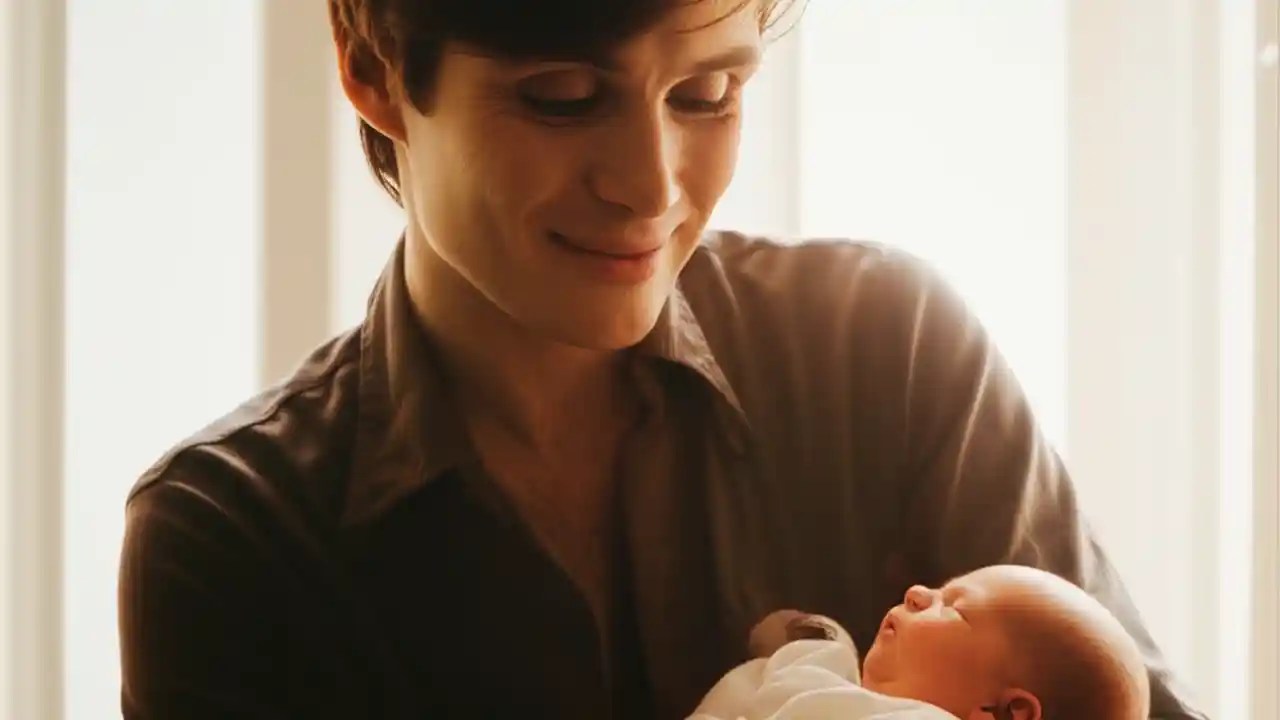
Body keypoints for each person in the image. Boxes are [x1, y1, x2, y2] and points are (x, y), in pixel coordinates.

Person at [116, 1, 1207, 718]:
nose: (650, 183)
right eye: (561, 96)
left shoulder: (890, 352)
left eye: (708, 95)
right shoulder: (237, 540)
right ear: (372, 63)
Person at [691, 565, 1150, 719]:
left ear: (1014, 713)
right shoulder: (843, 683)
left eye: (954, 606)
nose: (917, 592)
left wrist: (812, 643)